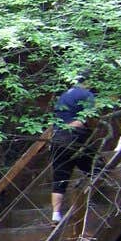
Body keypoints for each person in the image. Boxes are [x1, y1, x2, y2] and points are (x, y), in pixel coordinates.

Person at [49, 80, 97, 224]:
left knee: (60, 177)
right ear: (88, 81)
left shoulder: (64, 95)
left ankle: (55, 214)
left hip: (57, 139)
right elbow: (85, 118)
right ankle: (94, 199)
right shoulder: (86, 94)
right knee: (95, 167)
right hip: (74, 137)